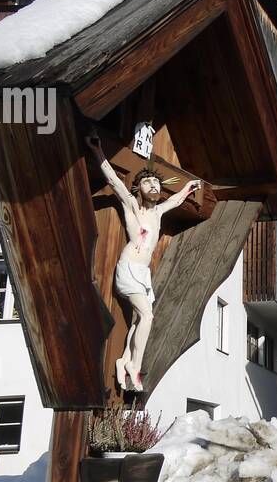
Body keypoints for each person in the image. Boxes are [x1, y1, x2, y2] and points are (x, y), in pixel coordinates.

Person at [86, 132, 201, 391]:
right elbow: (115, 182)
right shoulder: (132, 207)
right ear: (139, 188)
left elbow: (175, 199)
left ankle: (123, 361)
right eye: (148, 182)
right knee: (147, 316)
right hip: (128, 268)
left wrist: (189, 186)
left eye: (156, 184)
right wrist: (98, 151)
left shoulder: (159, 212)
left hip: (143, 272)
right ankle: (135, 368)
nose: (153, 187)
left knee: (139, 320)